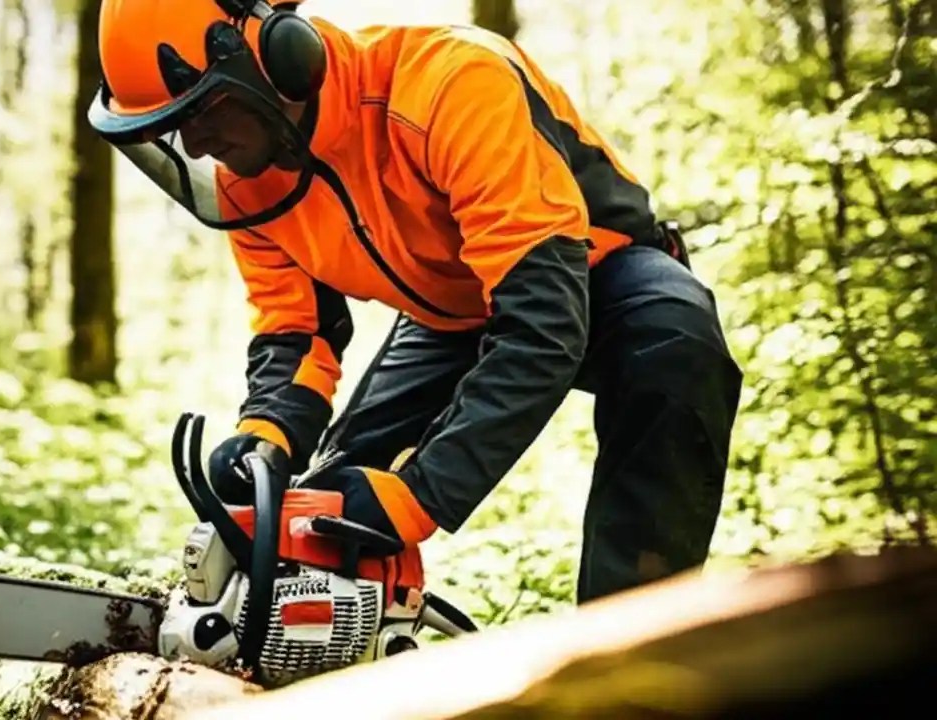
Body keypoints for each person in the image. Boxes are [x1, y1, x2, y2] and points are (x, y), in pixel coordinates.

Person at [88, 0, 743, 603]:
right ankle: (297, 652)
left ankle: (630, 650)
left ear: (275, 54)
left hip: (593, 273)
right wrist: (265, 437)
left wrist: (419, 493)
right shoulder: (250, 186)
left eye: (202, 111)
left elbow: (542, 325)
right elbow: (297, 332)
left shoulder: (449, 84)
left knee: (676, 345)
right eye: (176, 128)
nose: (197, 146)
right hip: (449, 315)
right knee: (327, 508)